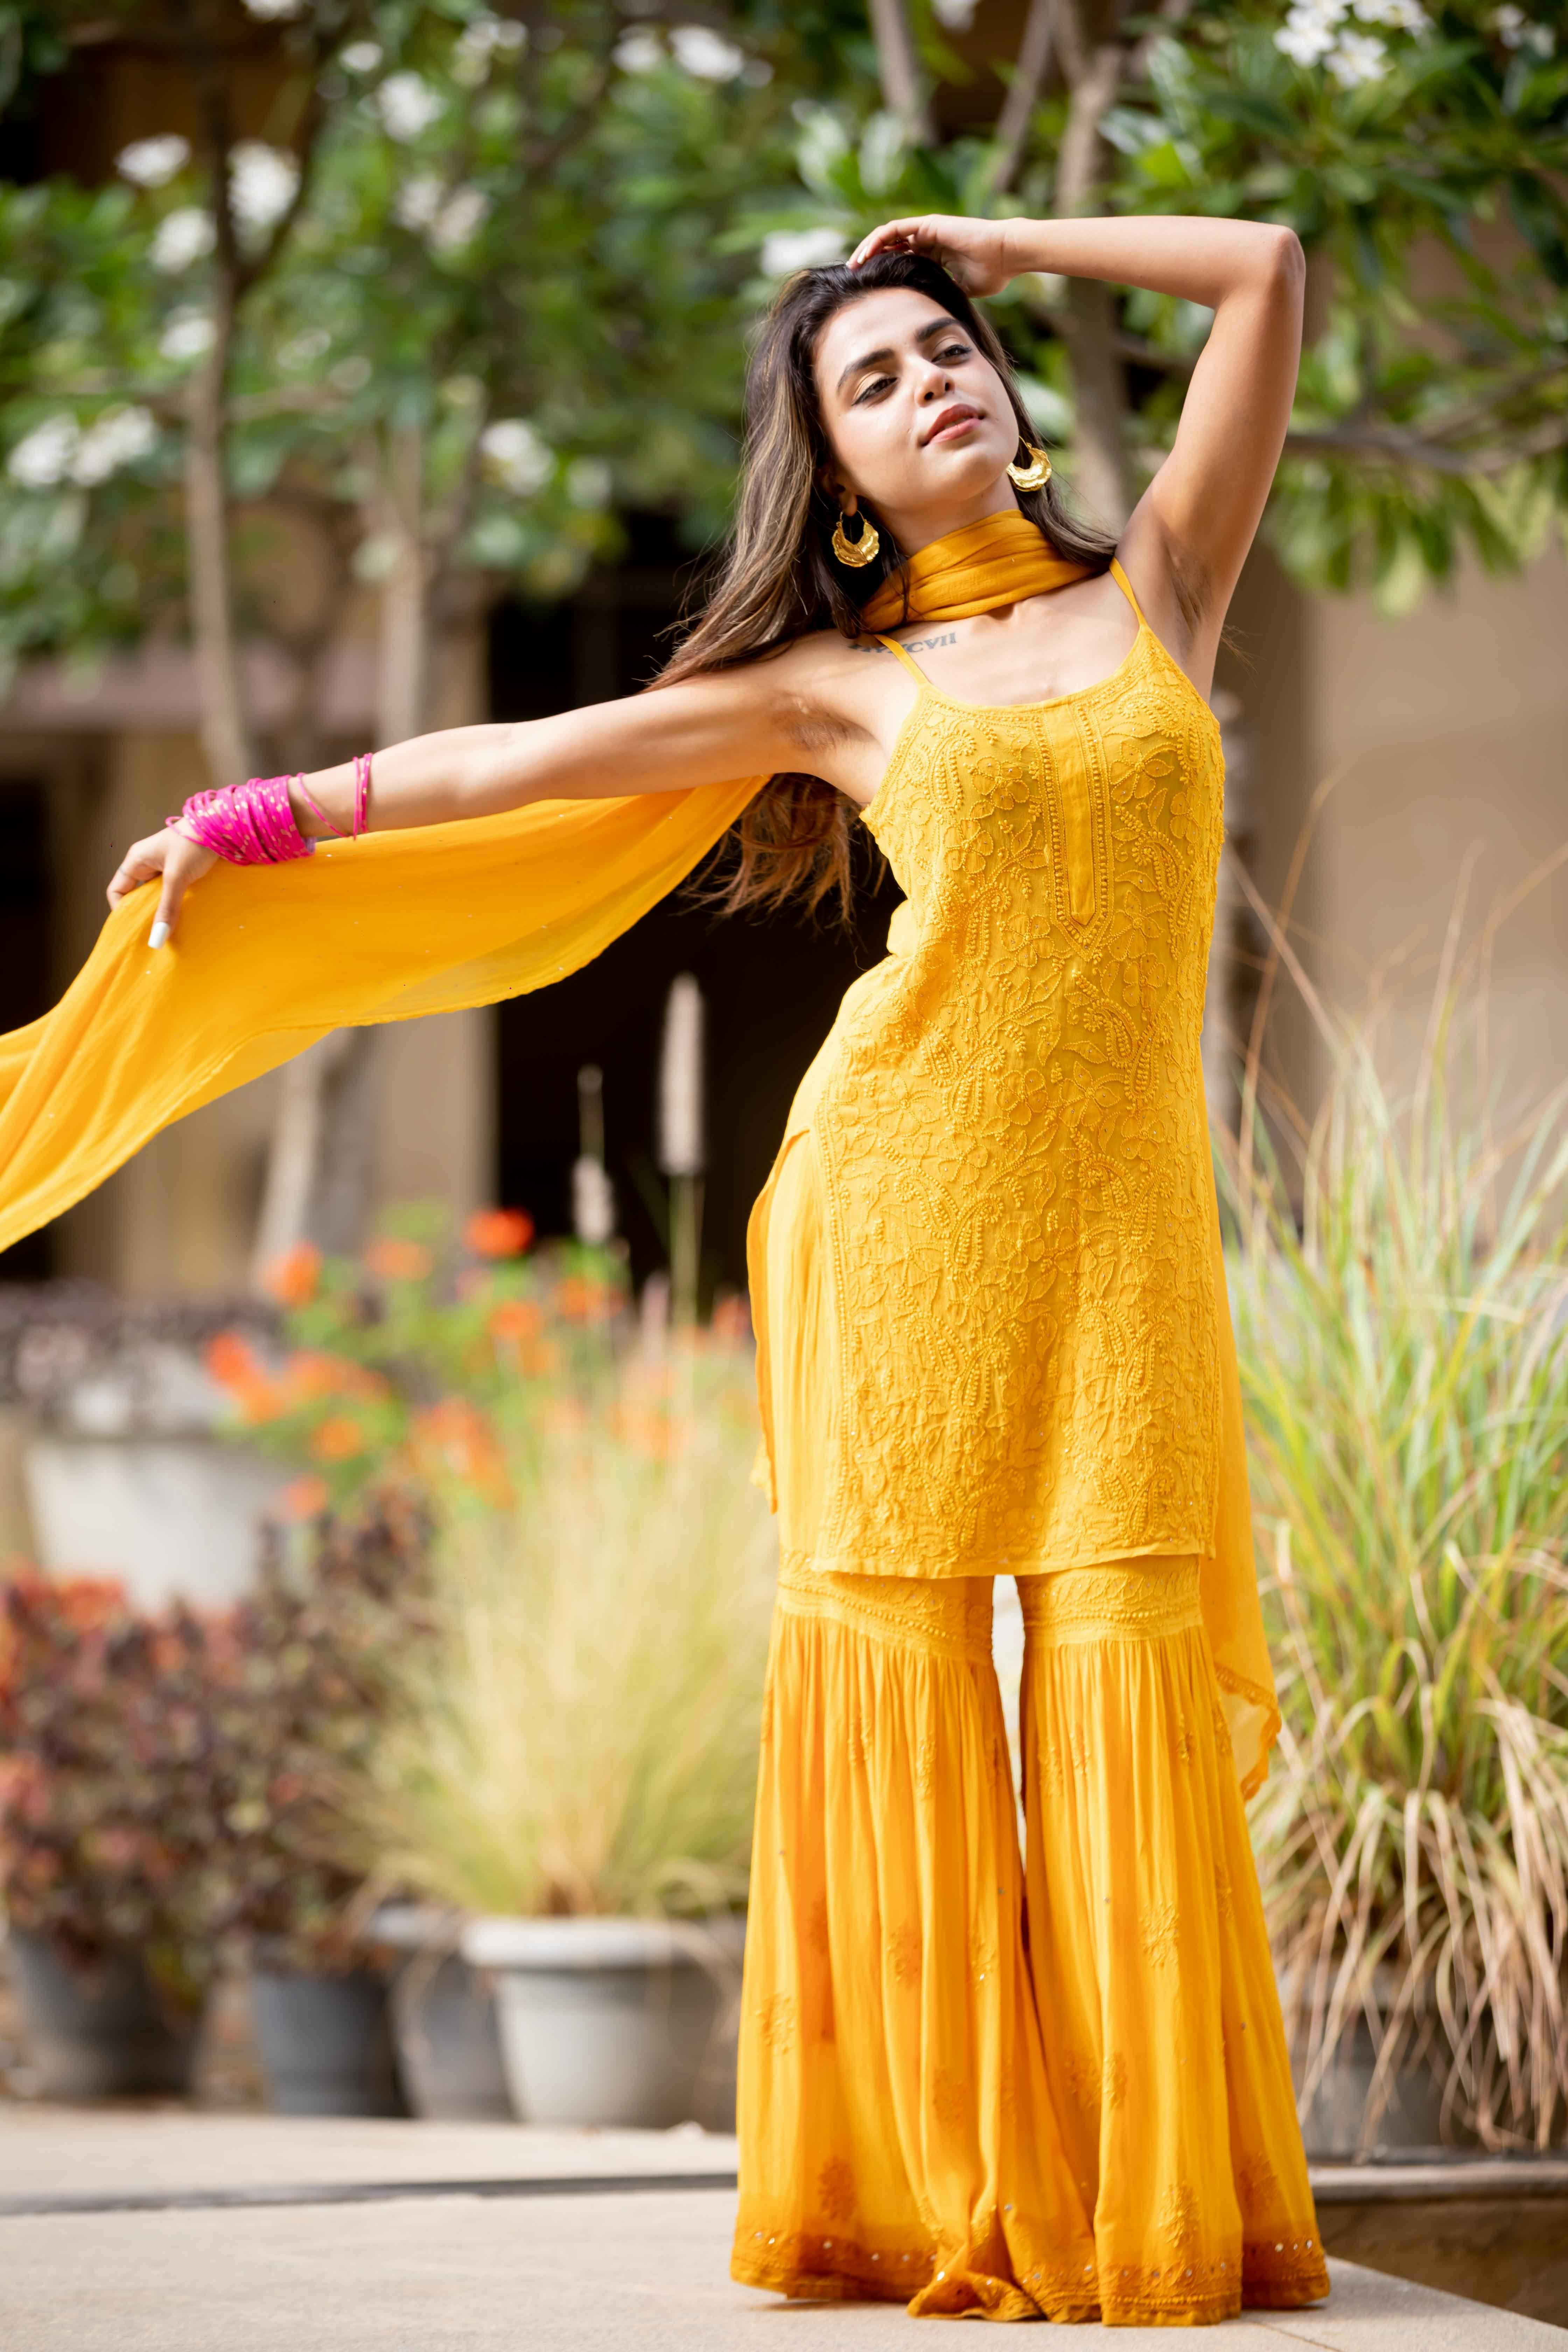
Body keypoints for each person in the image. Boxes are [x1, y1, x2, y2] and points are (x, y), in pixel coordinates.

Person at [72, 208, 1323, 2326]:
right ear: (834, 483)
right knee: (911, 1691)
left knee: (1116, 1669)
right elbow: (523, 762)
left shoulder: (1166, 590)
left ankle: (1151, 2213)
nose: (937, 379)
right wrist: (254, 818)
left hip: (1123, 1241)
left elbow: (1271, 267)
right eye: (877, 378)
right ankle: (928, 2208)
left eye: (952, 350)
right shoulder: (847, 687)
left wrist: (990, 232)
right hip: (900, 1204)